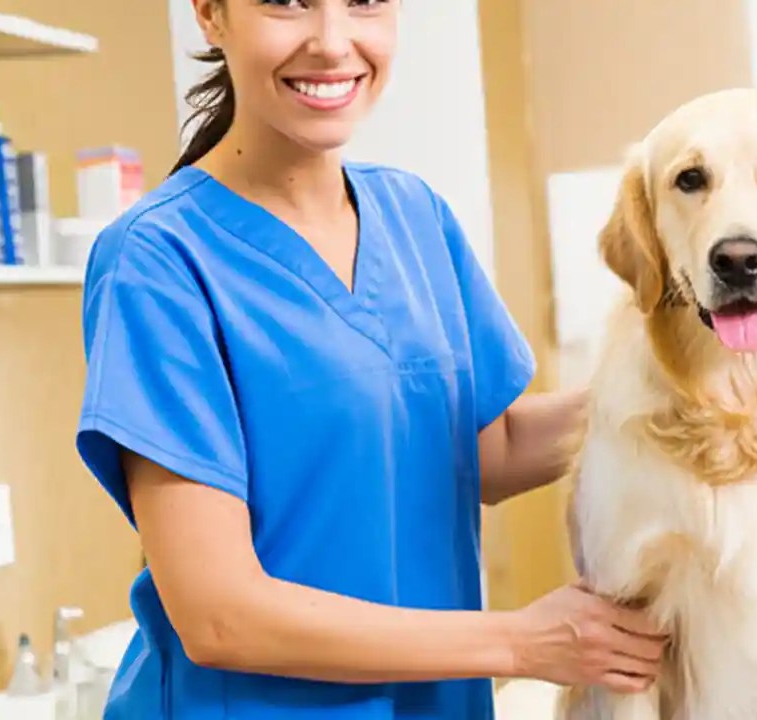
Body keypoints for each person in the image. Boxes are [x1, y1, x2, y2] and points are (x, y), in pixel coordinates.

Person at [74, 0, 666, 718]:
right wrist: (520, 643)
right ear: (209, 13)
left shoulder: (417, 218)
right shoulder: (160, 259)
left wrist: (673, 396)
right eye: (286, 3)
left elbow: (495, 449)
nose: (332, 43)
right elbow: (218, 615)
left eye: (363, 3)